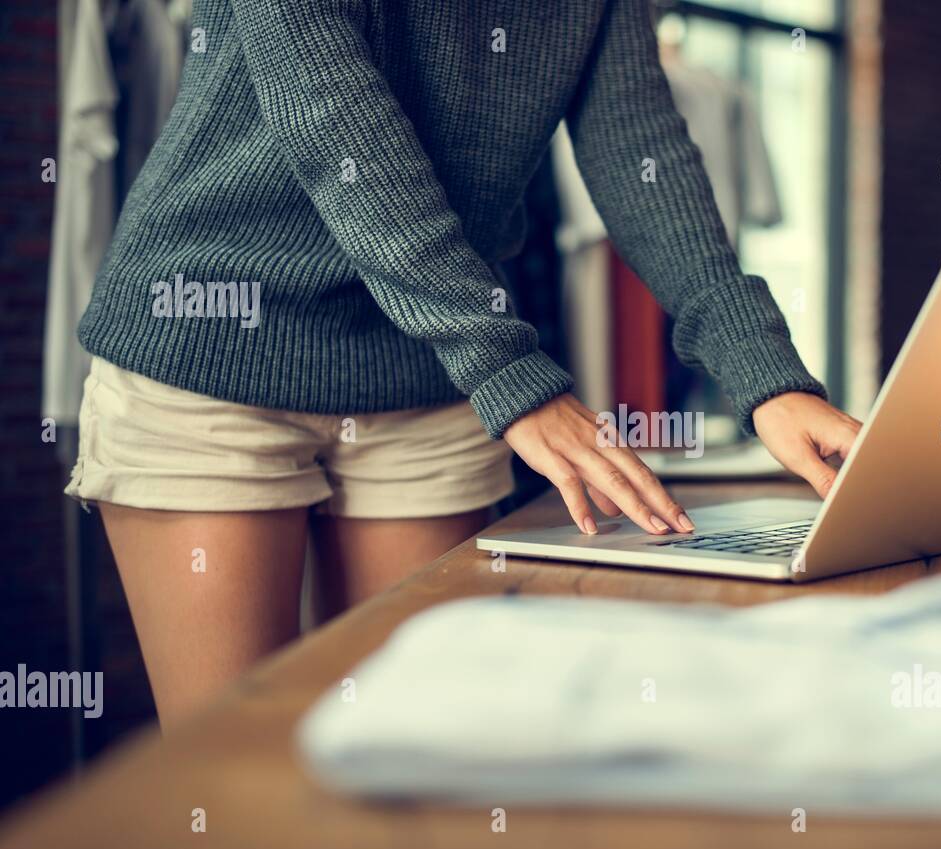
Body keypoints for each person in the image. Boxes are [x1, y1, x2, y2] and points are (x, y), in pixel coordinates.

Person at [65, 0, 862, 728]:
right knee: (239, 776)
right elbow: (338, 129)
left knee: (412, 746)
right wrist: (506, 370)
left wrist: (766, 377)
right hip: (214, 350)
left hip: (427, 375)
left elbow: (639, 151)